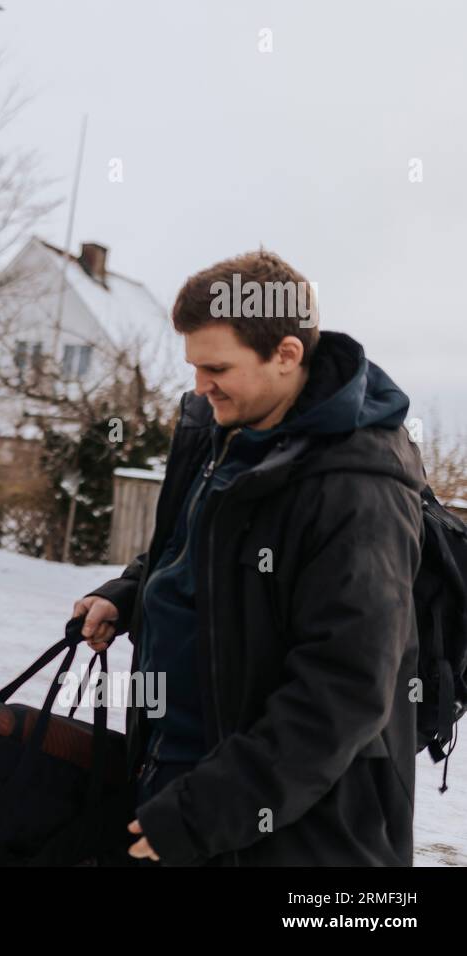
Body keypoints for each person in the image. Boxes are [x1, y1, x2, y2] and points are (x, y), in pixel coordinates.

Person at [74, 250, 423, 865]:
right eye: (194, 367)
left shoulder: (358, 488)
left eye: (216, 368)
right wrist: (132, 590)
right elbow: (194, 545)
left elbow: (344, 688)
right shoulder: (226, 426)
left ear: (286, 355)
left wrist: (211, 810)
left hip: (280, 826)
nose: (199, 386)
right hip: (177, 775)